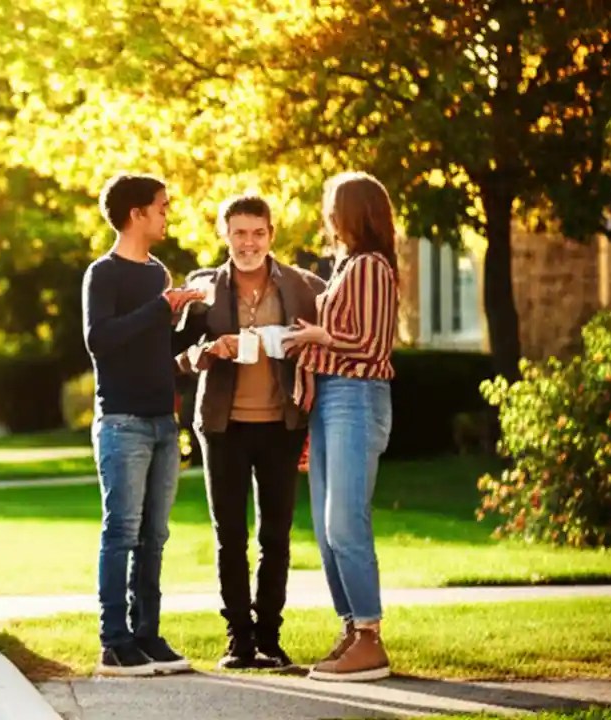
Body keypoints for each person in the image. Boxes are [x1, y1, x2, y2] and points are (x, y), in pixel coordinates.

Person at [174, 194, 326, 669]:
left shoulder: (301, 286)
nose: (249, 243)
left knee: (276, 536)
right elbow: (180, 355)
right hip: (223, 427)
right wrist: (207, 352)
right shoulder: (204, 288)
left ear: (271, 235)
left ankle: (270, 639)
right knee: (230, 536)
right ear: (225, 235)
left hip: (282, 425)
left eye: (258, 233)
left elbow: (329, 335)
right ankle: (239, 640)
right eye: (239, 232)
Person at [81, 173, 204, 676]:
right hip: (122, 422)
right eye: (162, 207)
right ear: (136, 214)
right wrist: (160, 307)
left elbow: (155, 346)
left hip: (162, 422)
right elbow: (100, 340)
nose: (167, 215)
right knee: (122, 532)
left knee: (155, 535)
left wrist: (191, 334)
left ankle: (147, 636)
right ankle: (114, 642)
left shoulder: (158, 274)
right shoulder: (103, 274)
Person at [283, 171, 400, 682]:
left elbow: (371, 344)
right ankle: (352, 629)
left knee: (345, 521)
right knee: (326, 527)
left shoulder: (372, 266)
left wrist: (318, 336)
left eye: (334, 206)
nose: (328, 215)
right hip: (332, 397)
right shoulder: (346, 265)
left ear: (354, 212)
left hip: (357, 395)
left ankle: (370, 637)